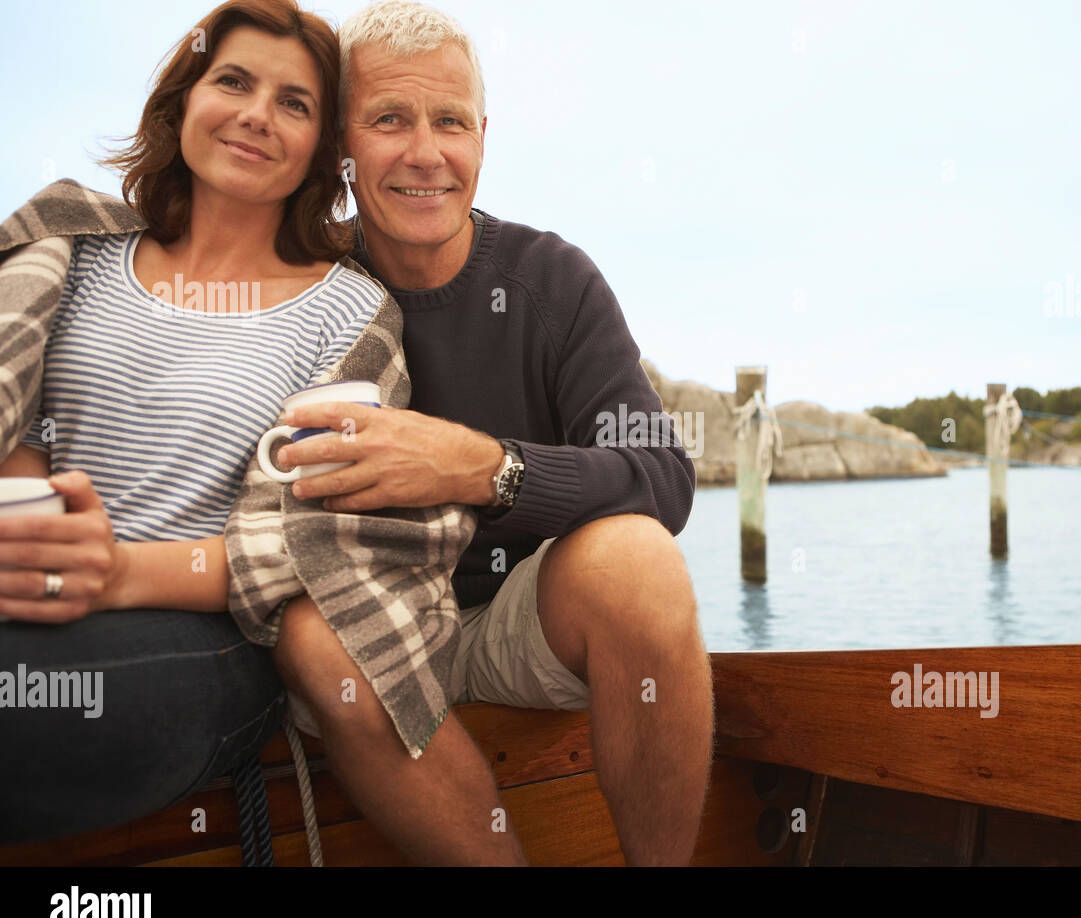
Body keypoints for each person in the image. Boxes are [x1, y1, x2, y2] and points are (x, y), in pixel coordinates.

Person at [268, 1, 714, 867]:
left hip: (513, 627)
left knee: (639, 557)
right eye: (389, 119)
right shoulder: (301, 281)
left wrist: (480, 468)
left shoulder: (552, 281)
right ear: (341, 149)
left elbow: (663, 477)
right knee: (309, 628)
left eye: (451, 122)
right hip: (359, 631)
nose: (426, 152)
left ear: (483, 136)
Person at [0, 0, 391, 844]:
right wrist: (36, 529)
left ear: (323, 150)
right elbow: (20, 428)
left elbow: (316, 538)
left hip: (201, 637)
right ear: (184, 101)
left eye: (295, 103)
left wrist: (115, 571)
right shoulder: (72, 249)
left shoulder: (349, 315)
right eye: (235, 81)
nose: (257, 114)